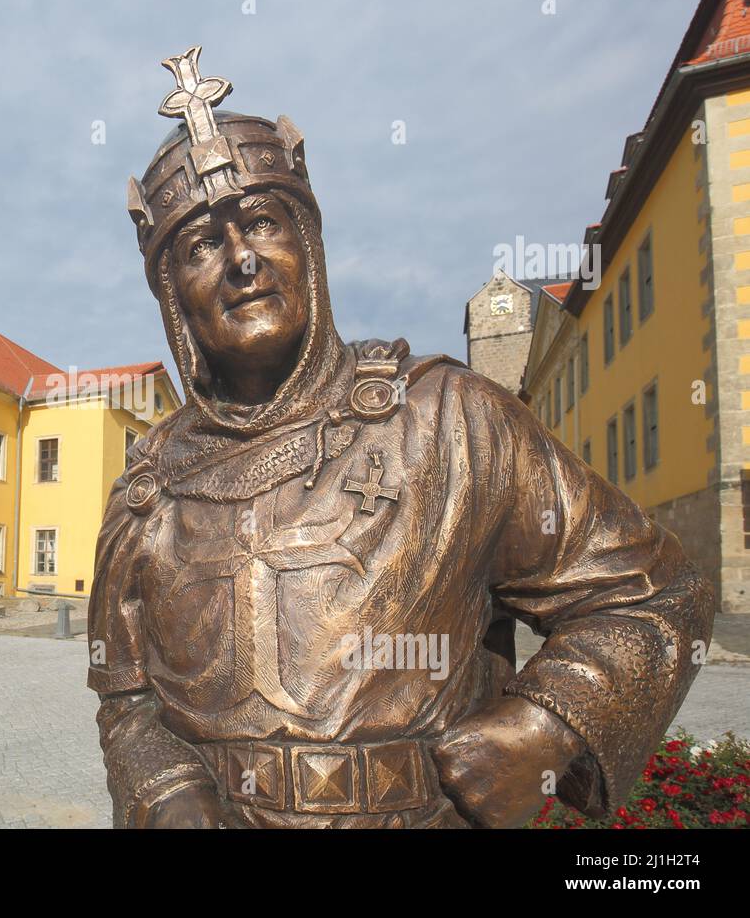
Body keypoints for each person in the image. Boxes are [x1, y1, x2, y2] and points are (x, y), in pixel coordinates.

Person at [87, 47, 715, 828]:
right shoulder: (149, 490)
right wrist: (166, 793)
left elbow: (654, 594)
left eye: (262, 222)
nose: (242, 260)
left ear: (307, 246)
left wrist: (546, 725)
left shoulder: (451, 420)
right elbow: (127, 698)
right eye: (201, 247)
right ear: (174, 297)